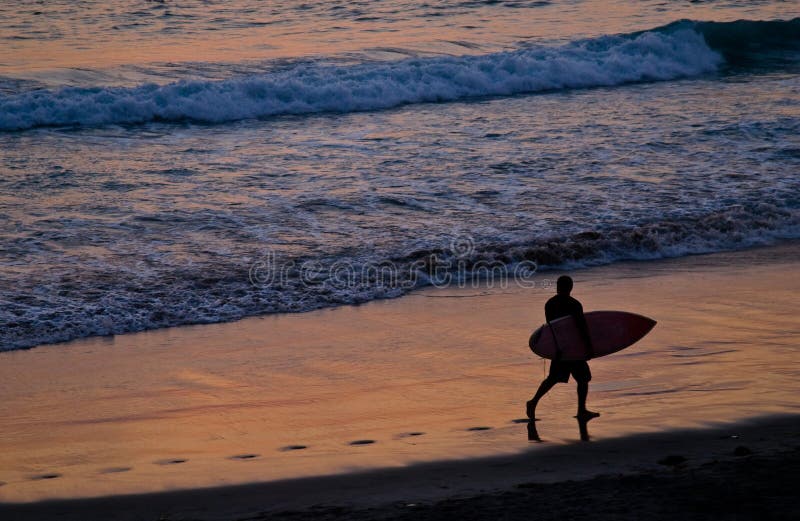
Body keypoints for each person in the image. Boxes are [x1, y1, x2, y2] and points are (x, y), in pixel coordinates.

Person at [526, 275, 600, 421]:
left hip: (559, 347)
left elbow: (552, 329)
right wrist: (589, 348)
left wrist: (555, 349)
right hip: (573, 348)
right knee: (583, 379)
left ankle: (533, 402)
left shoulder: (550, 304)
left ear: (558, 287)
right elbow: (581, 328)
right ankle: (581, 410)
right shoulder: (574, 304)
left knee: (553, 378)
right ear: (570, 288)